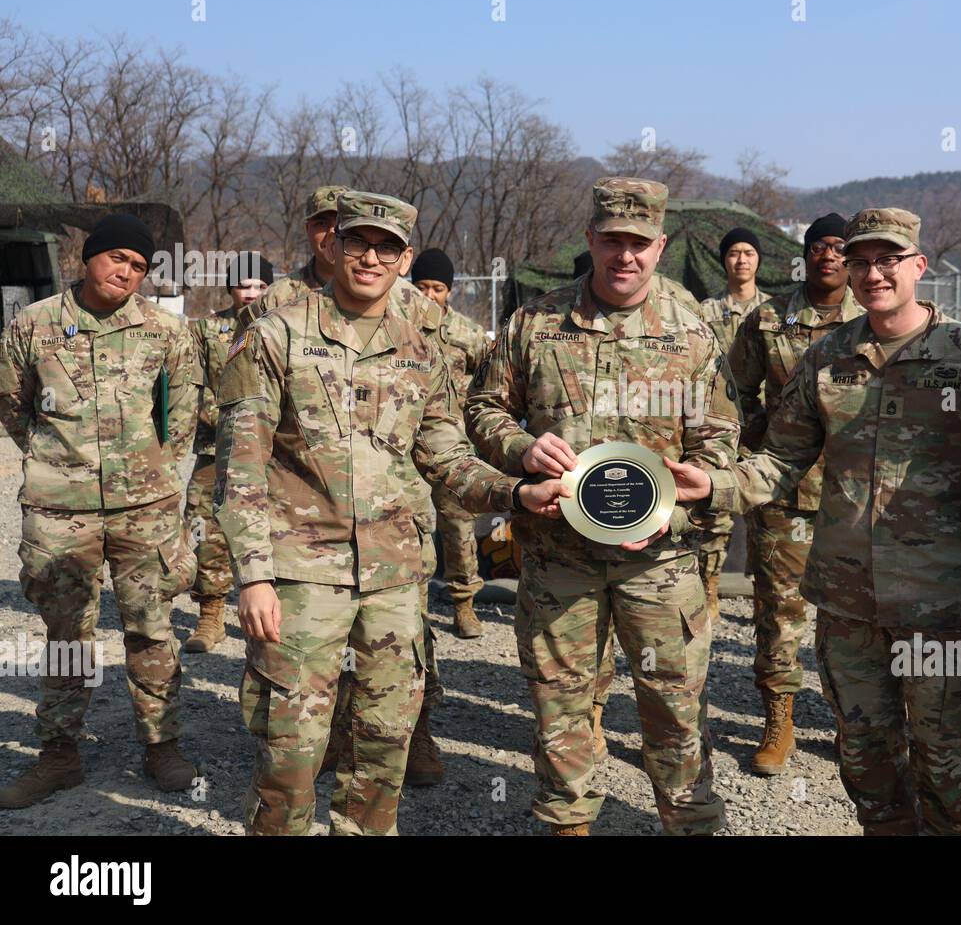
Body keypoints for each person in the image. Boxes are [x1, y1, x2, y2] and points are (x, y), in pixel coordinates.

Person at [214, 191, 566, 835]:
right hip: (299, 576)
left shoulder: (419, 346)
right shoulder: (275, 331)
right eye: (357, 243)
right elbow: (240, 464)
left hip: (394, 577)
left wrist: (515, 494)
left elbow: (445, 454)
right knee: (291, 751)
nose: (370, 258)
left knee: (384, 746)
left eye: (386, 248)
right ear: (334, 246)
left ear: (404, 261)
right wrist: (255, 575)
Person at [669, 207, 961, 835]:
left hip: (940, 606)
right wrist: (713, 484)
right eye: (861, 261)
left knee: (948, 766)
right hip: (849, 606)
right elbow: (779, 458)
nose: (874, 273)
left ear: (918, 266)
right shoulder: (828, 357)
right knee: (867, 764)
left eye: (888, 260)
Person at [464, 177, 738, 836]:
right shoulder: (536, 324)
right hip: (561, 559)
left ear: (661, 246)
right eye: (612, 240)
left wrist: (670, 510)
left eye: (640, 244)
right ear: (589, 240)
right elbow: (483, 409)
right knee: (561, 708)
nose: (626, 256)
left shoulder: (691, 332)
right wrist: (524, 448)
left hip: (661, 564)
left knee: (674, 709)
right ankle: (568, 824)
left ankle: (688, 821)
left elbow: (721, 439)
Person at [0, 213, 201, 808]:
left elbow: (184, 413)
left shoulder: (166, 331)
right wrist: (57, 463)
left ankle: (160, 746)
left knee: (151, 629)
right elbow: (13, 405)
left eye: (139, 266)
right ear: (87, 259)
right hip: (61, 511)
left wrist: (150, 471)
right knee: (68, 635)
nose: (127, 272)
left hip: (147, 509)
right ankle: (59, 756)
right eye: (117, 258)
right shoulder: (33, 326)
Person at [726, 213, 863, 775]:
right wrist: (762, 437)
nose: (828, 255)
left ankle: (852, 722)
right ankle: (778, 720)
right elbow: (735, 389)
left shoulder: (875, 317)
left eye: (839, 247)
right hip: (785, 489)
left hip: (858, 494)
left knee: (850, 615)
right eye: (818, 247)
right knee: (780, 611)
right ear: (803, 256)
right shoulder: (768, 318)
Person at [183, 251, 272, 653]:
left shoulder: (282, 325)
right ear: (230, 287)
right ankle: (211, 615)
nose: (251, 293)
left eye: (260, 285)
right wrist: (228, 423)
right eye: (244, 285)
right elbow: (192, 386)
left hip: (275, 451)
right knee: (206, 530)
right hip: (217, 448)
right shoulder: (207, 330)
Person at [411, 247, 491, 640]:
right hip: (402, 446)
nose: (429, 295)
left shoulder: (467, 335)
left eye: (437, 287)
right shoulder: (395, 326)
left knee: (458, 526)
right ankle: (415, 605)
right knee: (410, 526)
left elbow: (489, 382)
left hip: (449, 446)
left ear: (449, 292)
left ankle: (464, 604)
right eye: (421, 286)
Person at [694, 228, 770, 620]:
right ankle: (708, 588)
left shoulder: (777, 313)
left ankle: (764, 592)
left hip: (762, 425)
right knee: (717, 511)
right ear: (724, 261)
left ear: (759, 260)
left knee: (765, 511)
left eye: (749, 252)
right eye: (734, 253)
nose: (742, 260)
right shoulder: (704, 311)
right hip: (717, 422)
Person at [236, 185, 347, 328]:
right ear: (308, 229)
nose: (332, 233)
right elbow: (242, 345)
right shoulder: (275, 299)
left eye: (340, 223)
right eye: (322, 224)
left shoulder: (378, 294)